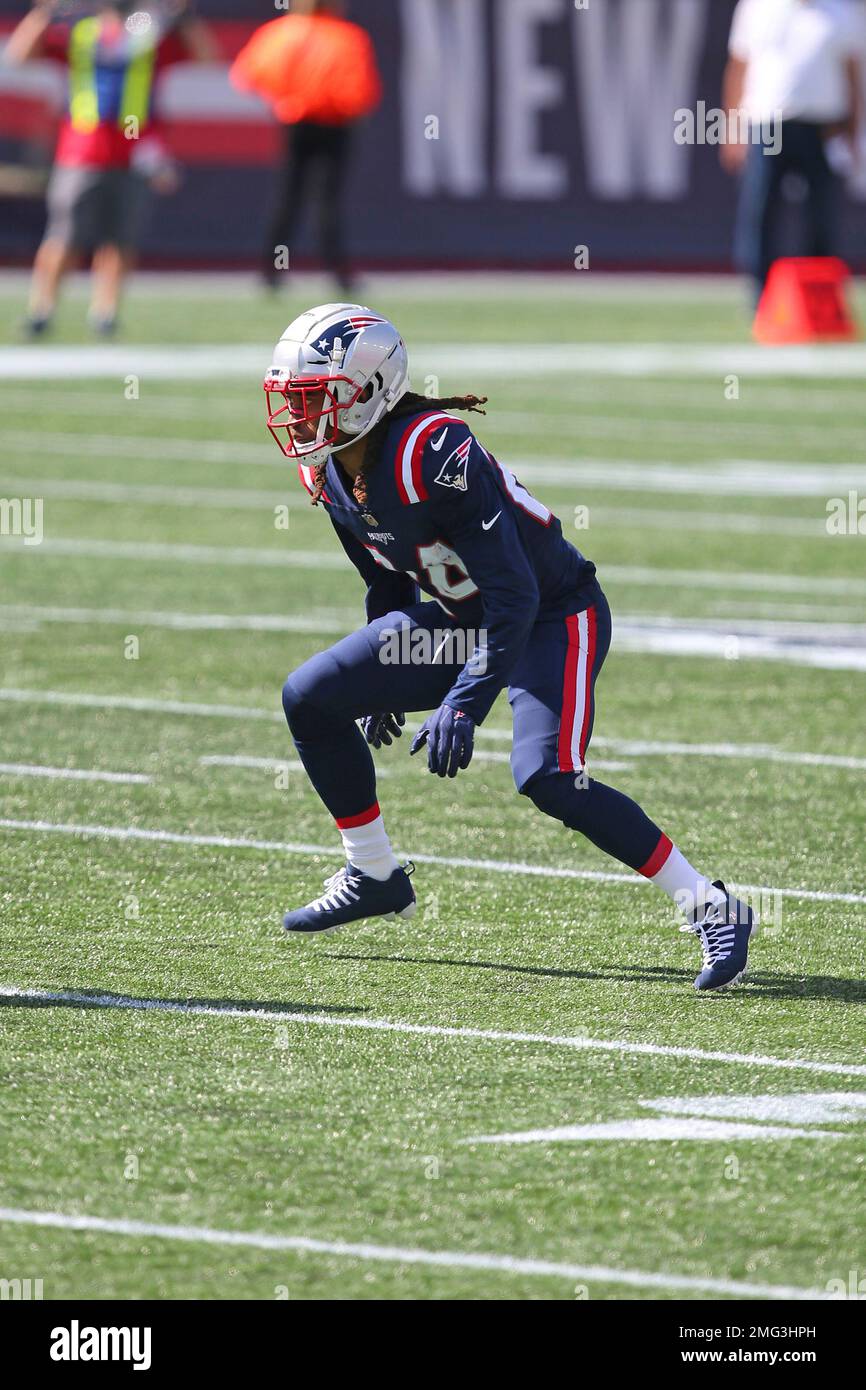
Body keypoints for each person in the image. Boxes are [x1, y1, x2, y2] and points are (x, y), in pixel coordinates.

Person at [263, 304, 756, 993]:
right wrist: (379, 679)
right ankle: (373, 873)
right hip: (468, 620)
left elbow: (518, 596)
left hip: (553, 616)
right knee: (311, 698)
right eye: (293, 399)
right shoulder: (330, 468)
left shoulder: (433, 451)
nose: (299, 415)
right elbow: (384, 576)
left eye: (315, 398)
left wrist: (466, 702)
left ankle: (712, 905)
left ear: (370, 392)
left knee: (547, 776)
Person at [3, 0, 216, 335]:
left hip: (135, 154)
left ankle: (105, 312)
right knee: (64, 235)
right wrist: (43, 13)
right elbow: (18, 56)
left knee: (119, 239)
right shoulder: (82, 33)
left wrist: (185, 16)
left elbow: (208, 58)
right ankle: (42, 309)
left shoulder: (150, 34)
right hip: (81, 152)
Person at [230, 1, 381, 292]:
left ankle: (273, 272)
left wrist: (287, 96)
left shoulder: (279, 34)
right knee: (326, 200)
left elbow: (246, 75)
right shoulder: (346, 37)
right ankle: (337, 273)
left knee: (288, 198)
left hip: (295, 124)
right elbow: (361, 94)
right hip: (334, 126)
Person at [722, 0, 865, 299]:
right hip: (769, 124)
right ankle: (760, 296)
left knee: (822, 213)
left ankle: (820, 295)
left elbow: (852, 75)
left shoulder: (841, 10)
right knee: (761, 210)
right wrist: (731, 128)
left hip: (823, 128)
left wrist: (853, 133)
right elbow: (738, 67)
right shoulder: (756, 8)